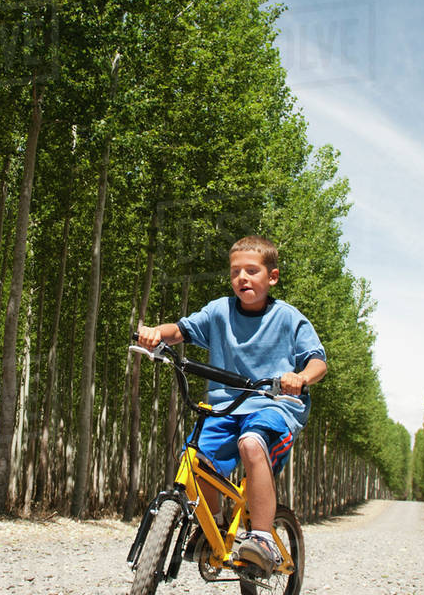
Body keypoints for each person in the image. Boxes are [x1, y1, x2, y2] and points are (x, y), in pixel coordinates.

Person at [137, 234, 326, 574]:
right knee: (196, 459)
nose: (242, 278)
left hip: (275, 405)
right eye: (236, 271)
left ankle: (263, 536)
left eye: (252, 271)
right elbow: (178, 331)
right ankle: (217, 527)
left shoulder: (288, 318)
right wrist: (155, 332)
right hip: (226, 405)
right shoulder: (219, 311)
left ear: (272, 277)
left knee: (252, 443)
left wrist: (301, 378)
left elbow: (317, 362)